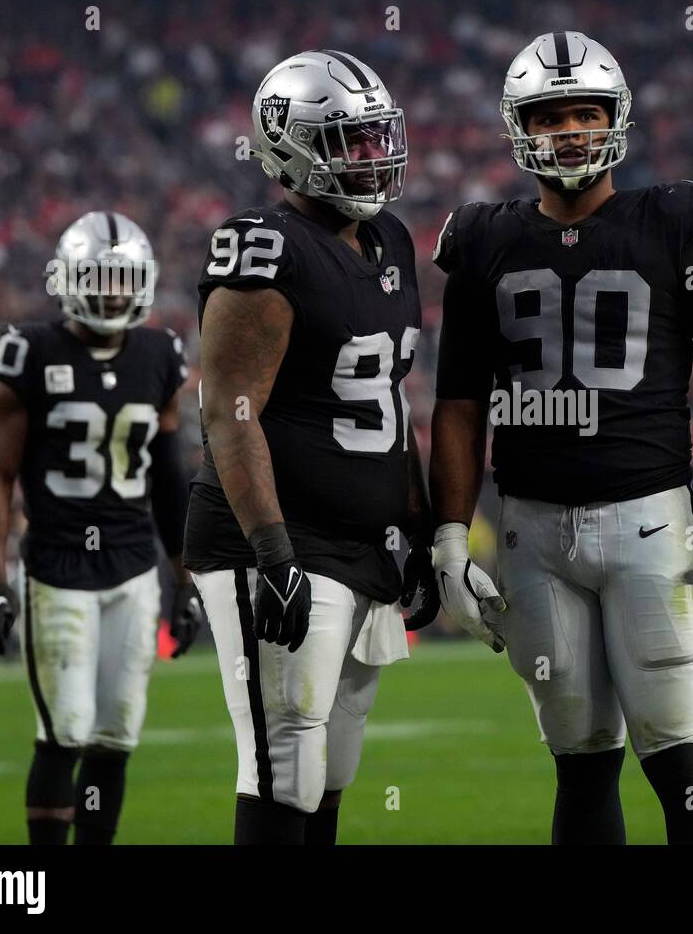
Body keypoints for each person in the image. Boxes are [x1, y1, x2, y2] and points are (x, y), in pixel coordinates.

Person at [429, 31, 693, 844]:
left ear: (616, 118)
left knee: (678, 759)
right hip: (532, 530)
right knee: (581, 760)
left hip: (650, 522)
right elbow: (458, 403)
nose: (568, 130)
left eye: (584, 112)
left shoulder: (676, 220)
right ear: (518, 128)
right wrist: (450, 536)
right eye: (550, 116)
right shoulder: (484, 238)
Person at [183, 50, 438, 845]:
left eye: (374, 138)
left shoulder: (390, 240)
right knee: (284, 760)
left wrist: (420, 532)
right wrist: (272, 551)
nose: (369, 157)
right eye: (346, 141)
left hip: (363, 545)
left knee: (330, 770)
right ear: (287, 145)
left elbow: (390, 407)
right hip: (277, 540)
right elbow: (229, 413)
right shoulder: (263, 249)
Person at [0, 211, 203, 844]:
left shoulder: (161, 353)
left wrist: (186, 583)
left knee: (116, 735)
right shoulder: (28, 351)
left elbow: (167, 481)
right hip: (58, 567)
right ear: (69, 280)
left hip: (133, 569)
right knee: (66, 727)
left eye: (123, 279)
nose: (112, 292)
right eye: (99, 278)